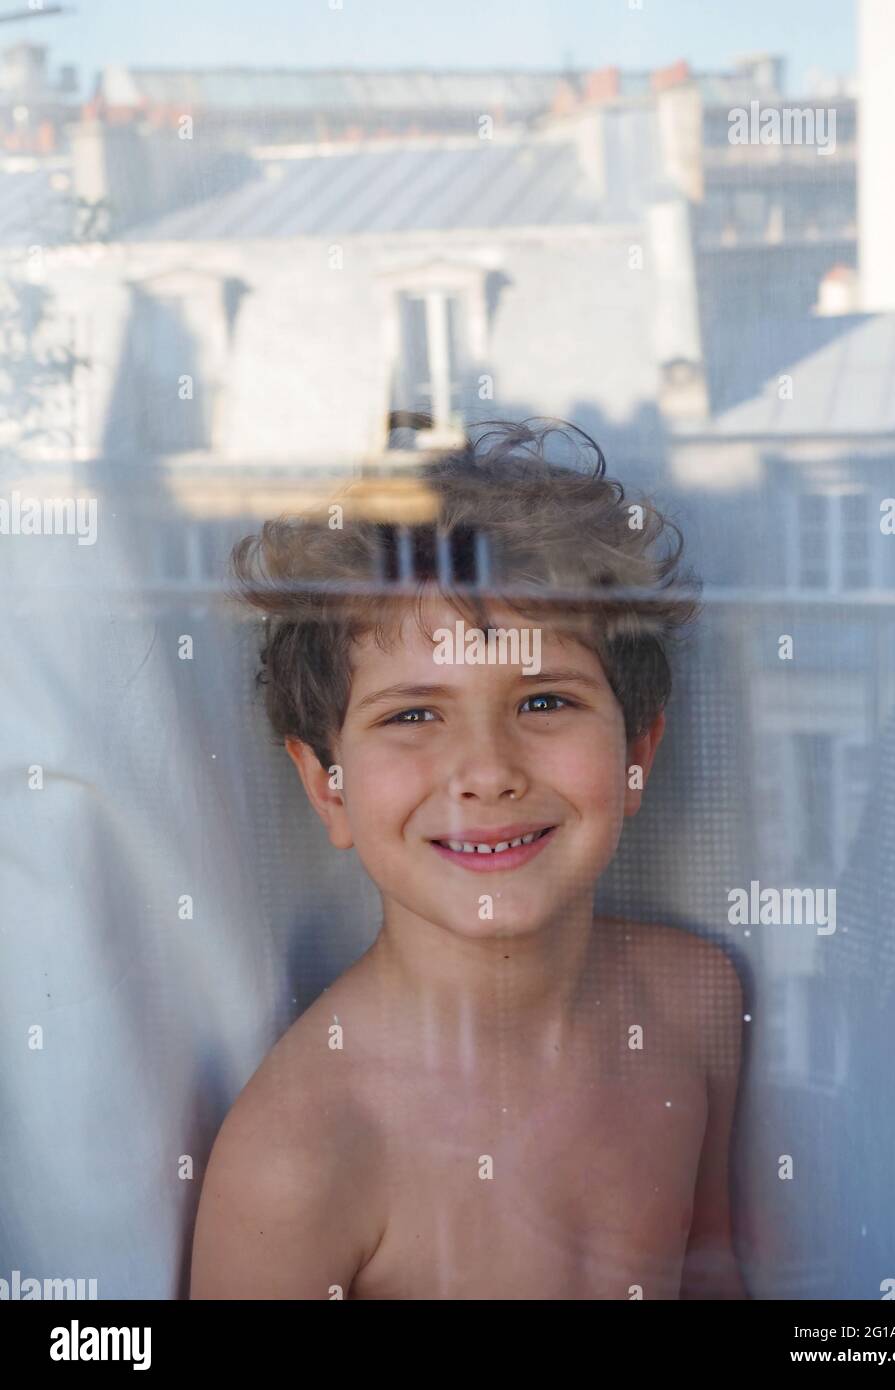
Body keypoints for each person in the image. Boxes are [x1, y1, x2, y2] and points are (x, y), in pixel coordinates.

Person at [190, 418, 747, 1300]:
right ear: (328, 788)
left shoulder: (694, 1000)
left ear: (636, 754)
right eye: (413, 715)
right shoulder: (300, 1160)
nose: (487, 772)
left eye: (545, 700)